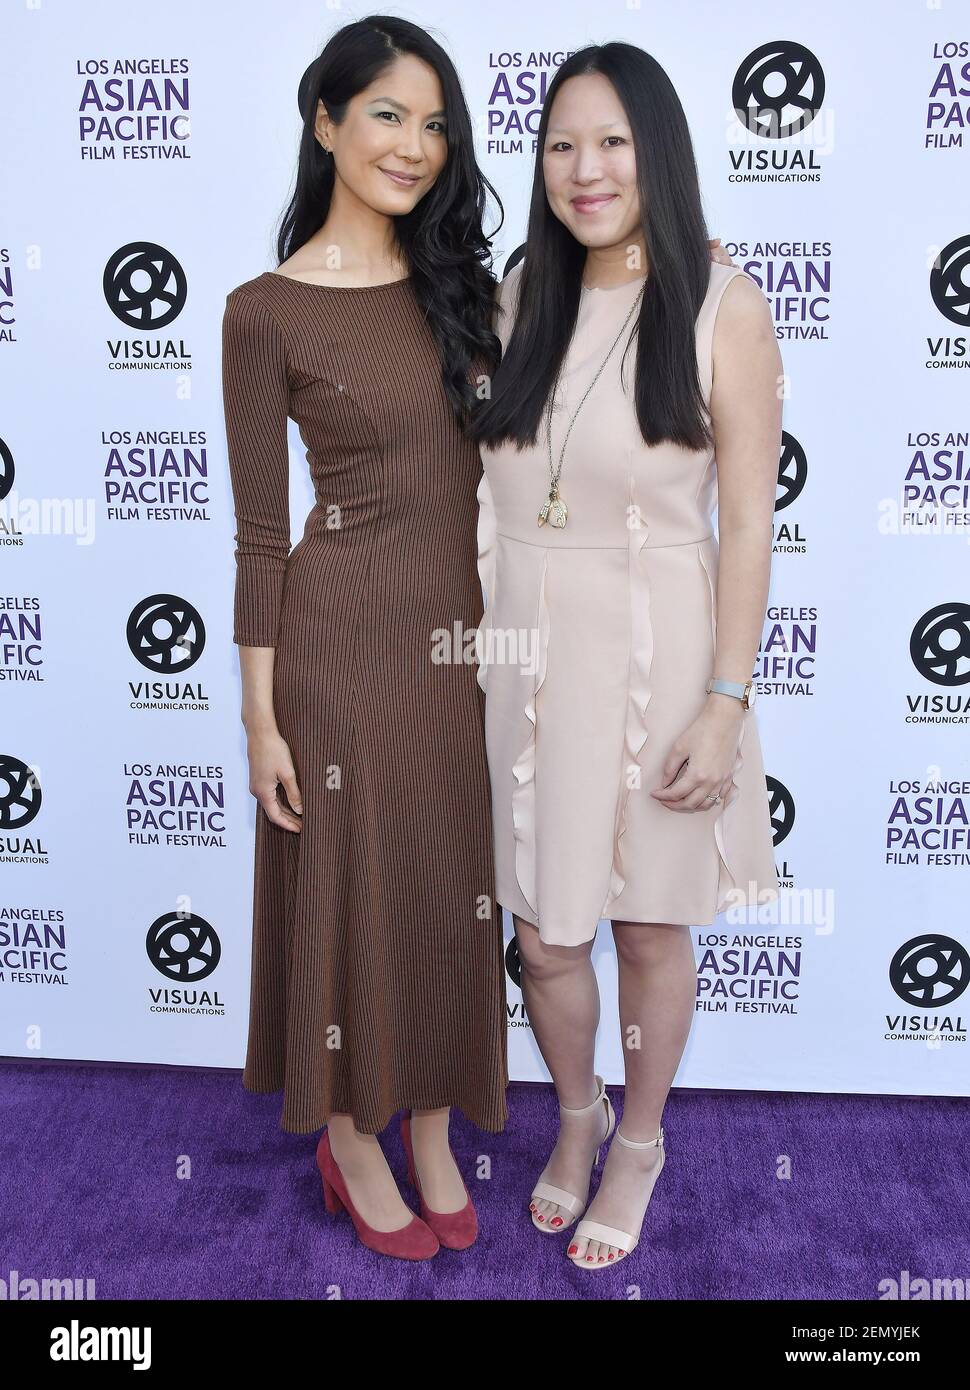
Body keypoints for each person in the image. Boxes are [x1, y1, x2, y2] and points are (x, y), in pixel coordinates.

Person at [468, 42, 782, 1270]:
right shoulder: (513, 298)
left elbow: (749, 519)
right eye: (561, 145)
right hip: (523, 659)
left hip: (662, 657)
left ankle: (639, 1144)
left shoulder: (720, 302)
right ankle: (578, 1112)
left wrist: (723, 704)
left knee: (648, 927)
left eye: (611, 143)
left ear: (657, 151)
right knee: (544, 934)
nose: (585, 170)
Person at [221, 15, 508, 1261]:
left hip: (460, 656)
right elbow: (259, 535)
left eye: (434, 121)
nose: (414, 144)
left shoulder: (473, 289)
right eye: (386, 113)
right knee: (354, 891)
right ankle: (348, 1138)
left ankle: (435, 1130)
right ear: (325, 121)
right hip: (336, 653)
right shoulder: (260, 311)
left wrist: (681, 266)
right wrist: (259, 714)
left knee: (448, 894)